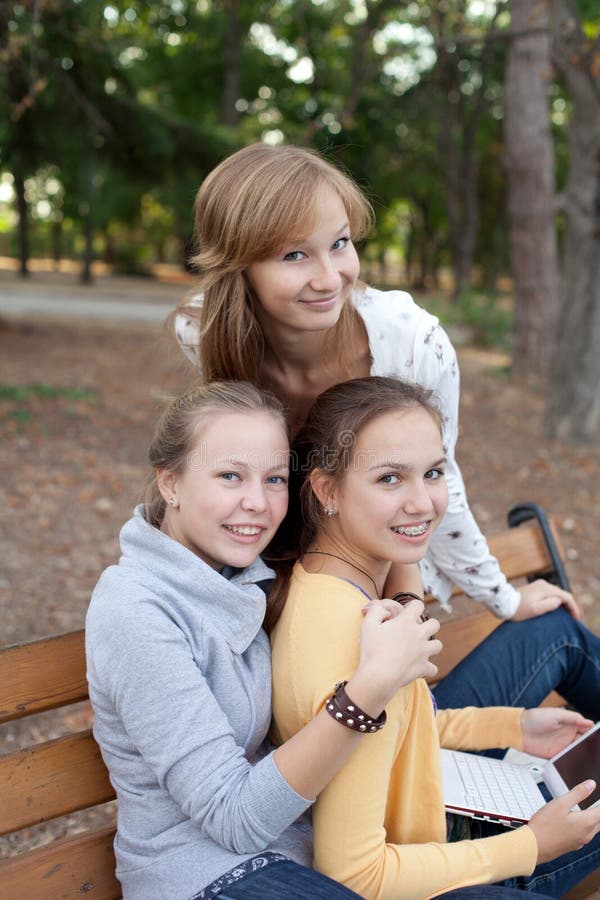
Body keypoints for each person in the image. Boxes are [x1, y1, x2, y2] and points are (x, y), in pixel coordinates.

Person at [173, 141, 600, 720]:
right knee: (563, 639)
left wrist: (486, 598)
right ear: (240, 262)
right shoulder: (208, 333)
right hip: (297, 595)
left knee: (556, 637)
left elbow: (431, 483)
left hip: (364, 592)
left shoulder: (409, 341)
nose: (330, 277)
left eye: (340, 243)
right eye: (294, 255)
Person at [87, 380, 475, 900]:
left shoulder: (241, 571)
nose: (257, 504)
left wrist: (407, 595)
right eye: (230, 476)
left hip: (298, 854)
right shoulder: (135, 612)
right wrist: (368, 690)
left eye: (273, 479)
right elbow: (232, 817)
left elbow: (391, 530)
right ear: (170, 483)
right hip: (204, 879)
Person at [268, 375, 600, 899]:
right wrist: (532, 844)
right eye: (390, 479)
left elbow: (397, 730)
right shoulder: (363, 647)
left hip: (436, 794)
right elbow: (353, 876)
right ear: (326, 490)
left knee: (556, 631)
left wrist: (511, 727)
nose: (423, 503)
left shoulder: (328, 584)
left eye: (433, 472)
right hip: (434, 866)